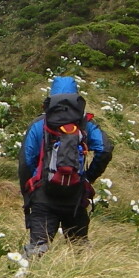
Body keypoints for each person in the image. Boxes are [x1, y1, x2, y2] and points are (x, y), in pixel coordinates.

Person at [18, 76, 112, 258]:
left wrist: (30, 190)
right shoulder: (85, 123)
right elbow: (105, 150)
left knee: (37, 250)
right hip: (75, 197)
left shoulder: (39, 124)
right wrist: (88, 178)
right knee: (80, 249)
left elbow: (26, 161)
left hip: (43, 197)